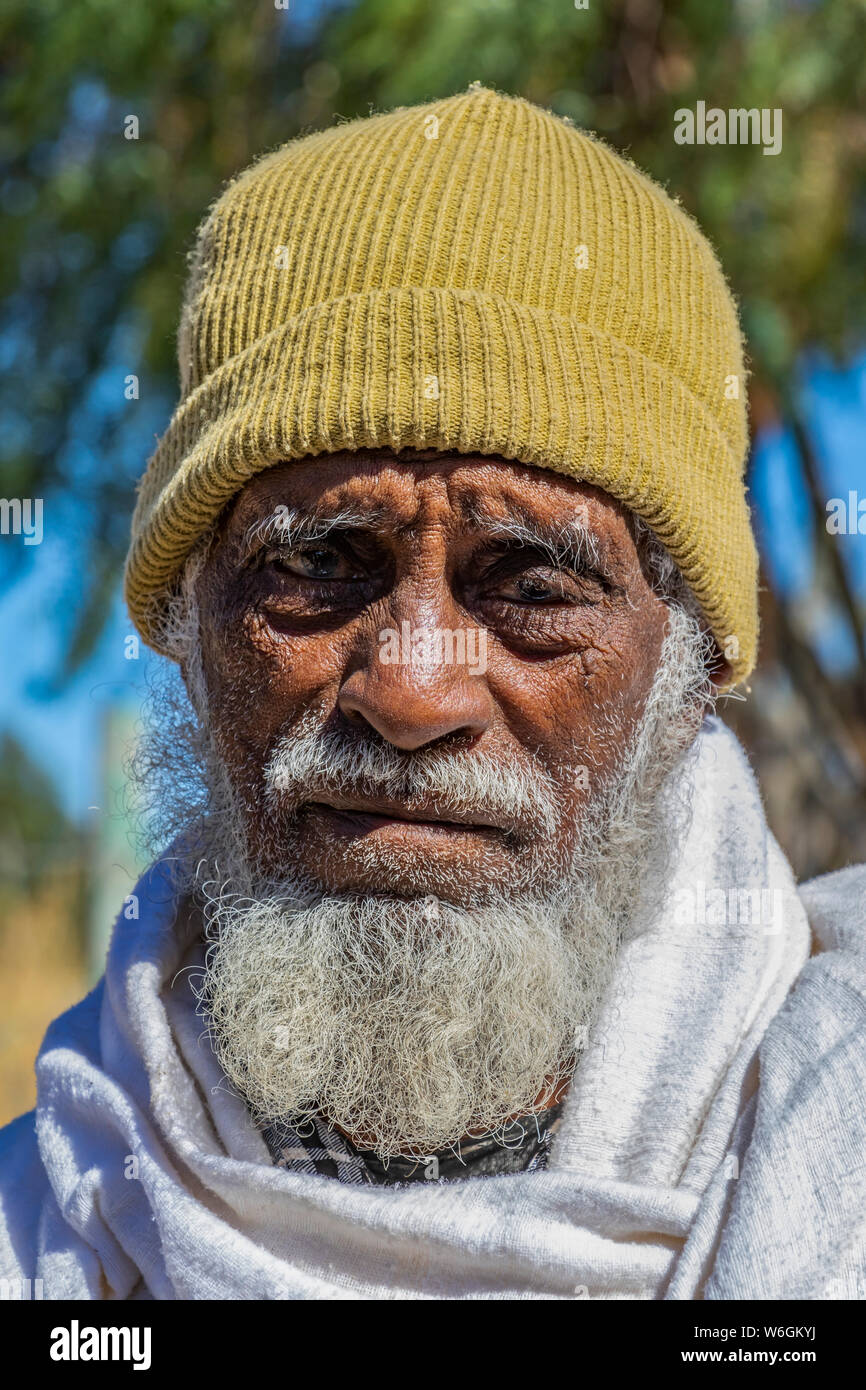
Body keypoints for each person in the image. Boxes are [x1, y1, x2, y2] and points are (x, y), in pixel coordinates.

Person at [1, 85, 864, 1301]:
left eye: (530, 584)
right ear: (184, 635)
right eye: (311, 566)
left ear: (687, 672)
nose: (409, 690)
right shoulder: (45, 1231)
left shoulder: (836, 1163)